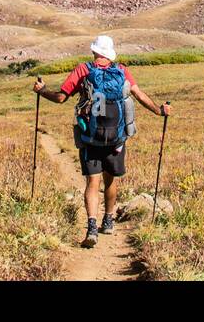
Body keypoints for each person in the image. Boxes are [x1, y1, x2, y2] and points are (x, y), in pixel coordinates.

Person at [33, 35, 171, 248]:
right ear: (110, 53)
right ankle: (108, 220)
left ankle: (91, 227)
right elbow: (138, 94)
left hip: (91, 137)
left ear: (94, 51)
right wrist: (159, 111)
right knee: (111, 180)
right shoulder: (122, 71)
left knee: (92, 182)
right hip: (116, 139)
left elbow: (61, 97)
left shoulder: (83, 70)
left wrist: (42, 90)